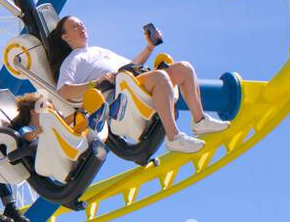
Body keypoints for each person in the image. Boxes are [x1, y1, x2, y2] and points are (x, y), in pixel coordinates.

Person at [47, 17, 228, 153]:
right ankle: (173, 137)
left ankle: (200, 121)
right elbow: (64, 91)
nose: (82, 28)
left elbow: (131, 65)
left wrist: (149, 47)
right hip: (118, 94)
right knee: (159, 77)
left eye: (82, 24)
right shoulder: (72, 60)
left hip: (132, 79)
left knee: (184, 68)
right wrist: (96, 82)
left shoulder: (97, 50)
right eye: (75, 27)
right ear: (65, 37)